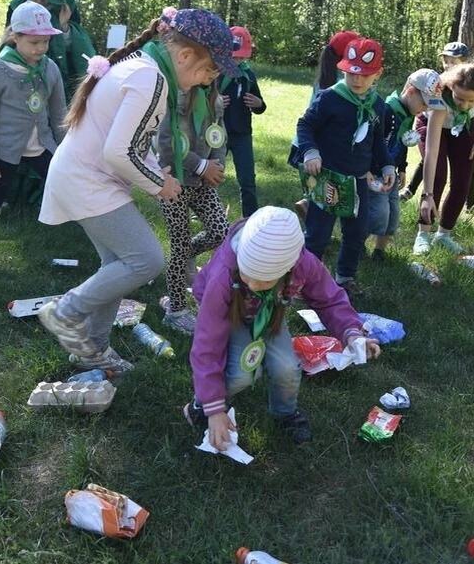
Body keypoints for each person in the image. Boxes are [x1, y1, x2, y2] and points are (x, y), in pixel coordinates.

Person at [36, 7, 239, 372]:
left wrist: (154, 169)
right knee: (146, 260)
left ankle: (91, 350)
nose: (210, 79)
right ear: (184, 55)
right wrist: (161, 184)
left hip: (88, 179)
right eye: (210, 69)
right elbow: (118, 152)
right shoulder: (152, 80)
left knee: (117, 263)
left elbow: (130, 140)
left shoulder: (147, 71)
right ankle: (66, 312)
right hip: (89, 183)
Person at [183, 207, 381, 446]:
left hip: (269, 315)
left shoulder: (303, 264)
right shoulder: (223, 276)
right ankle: (201, 405)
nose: (253, 283)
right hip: (230, 315)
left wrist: (352, 333)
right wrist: (214, 410)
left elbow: (329, 299)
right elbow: (207, 342)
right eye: (246, 275)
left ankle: (285, 413)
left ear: (288, 269)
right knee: (241, 375)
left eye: (264, 279)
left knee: (287, 367)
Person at [0, 1, 67, 266]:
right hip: (6, 150)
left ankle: (94, 235)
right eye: (34, 42)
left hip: (42, 146)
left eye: (45, 42)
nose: (41, 49)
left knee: (68, 185)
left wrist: (66, 151)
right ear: (15, 37)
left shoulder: (50, 69)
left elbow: (59, 114)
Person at [295, 37, 394, 293]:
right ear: (343, 69)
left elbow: (377, 144)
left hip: (359, 180)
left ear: (378, 74)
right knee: (318, 233)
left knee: (357, 232)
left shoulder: (378, 106)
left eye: (364, 75)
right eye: (351, 73)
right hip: (328, 178)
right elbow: (305, 125)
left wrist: (386, 166)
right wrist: (310, 152)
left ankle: (345, 277)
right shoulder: (330, 98)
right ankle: (304, 282)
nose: (357, 80)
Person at [156, 79, 229, 336]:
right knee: (179, 245)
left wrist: (217, 166)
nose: (212, 73)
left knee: (220, 231)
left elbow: (219, 137)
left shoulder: (215, 99)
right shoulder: (175, 98)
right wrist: (201, 166)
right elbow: (165, 143)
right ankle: (175, 310)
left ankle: (187, 256)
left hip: (203, 183)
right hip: (173, 182)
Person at [367, 69, 445, 259]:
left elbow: (402, 143)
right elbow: (371, 142)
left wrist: (402, 168)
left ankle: (379, 251)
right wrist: (368, 169)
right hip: (375, 172)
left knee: (393, 213)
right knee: (378, 213)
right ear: (410, 91)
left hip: (391, 172)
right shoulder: (386, 111)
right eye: (424, 103)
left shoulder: (408, 114)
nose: (425, 109)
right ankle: (356, 243)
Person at [5, 0, 95, 101]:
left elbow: (78, 56)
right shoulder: (18, 11)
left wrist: (64, 27)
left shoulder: (63, 14)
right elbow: (8, 46)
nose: (39, 0)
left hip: (56, 83)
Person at [415, 63, 474, 255]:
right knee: (438, 176)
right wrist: (427, 195)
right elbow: (432, 153)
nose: (464, 105)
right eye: (459, 98)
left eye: (471, 101)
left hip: (460, 126)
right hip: (433, 126)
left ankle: (443, 235)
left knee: (463, 181)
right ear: (451, 87)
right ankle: (423, 234)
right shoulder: (439, 97)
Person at [293, 30, 361, 223]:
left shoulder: (326, 76)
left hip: (309, 142)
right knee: (328, 189)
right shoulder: (342, 82)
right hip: (318, 143)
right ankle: (313, 223)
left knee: (320, 187)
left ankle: (310, 210)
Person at [401, 41, 469, 204]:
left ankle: (471, 203)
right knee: (432, 161)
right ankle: (411, 189)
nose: (449, 65)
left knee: (467, 165)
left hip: (451, 128)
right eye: (446, 60)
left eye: (454, 61)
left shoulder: (467, 84)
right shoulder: (436, 81)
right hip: (428, 122)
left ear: (464, 62)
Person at [218, 26, 266, 217]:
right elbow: (201, 102)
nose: (237, 61)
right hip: (217, 132)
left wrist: (258, 103)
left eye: (241, 58)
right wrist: (215, 102)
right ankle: (207, 210)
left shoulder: (248, 75)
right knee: (212, 174)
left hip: (242, 134)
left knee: (247, 179)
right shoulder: (216, 73)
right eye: (233, 57)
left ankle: (250, 217)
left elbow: (260, 106)